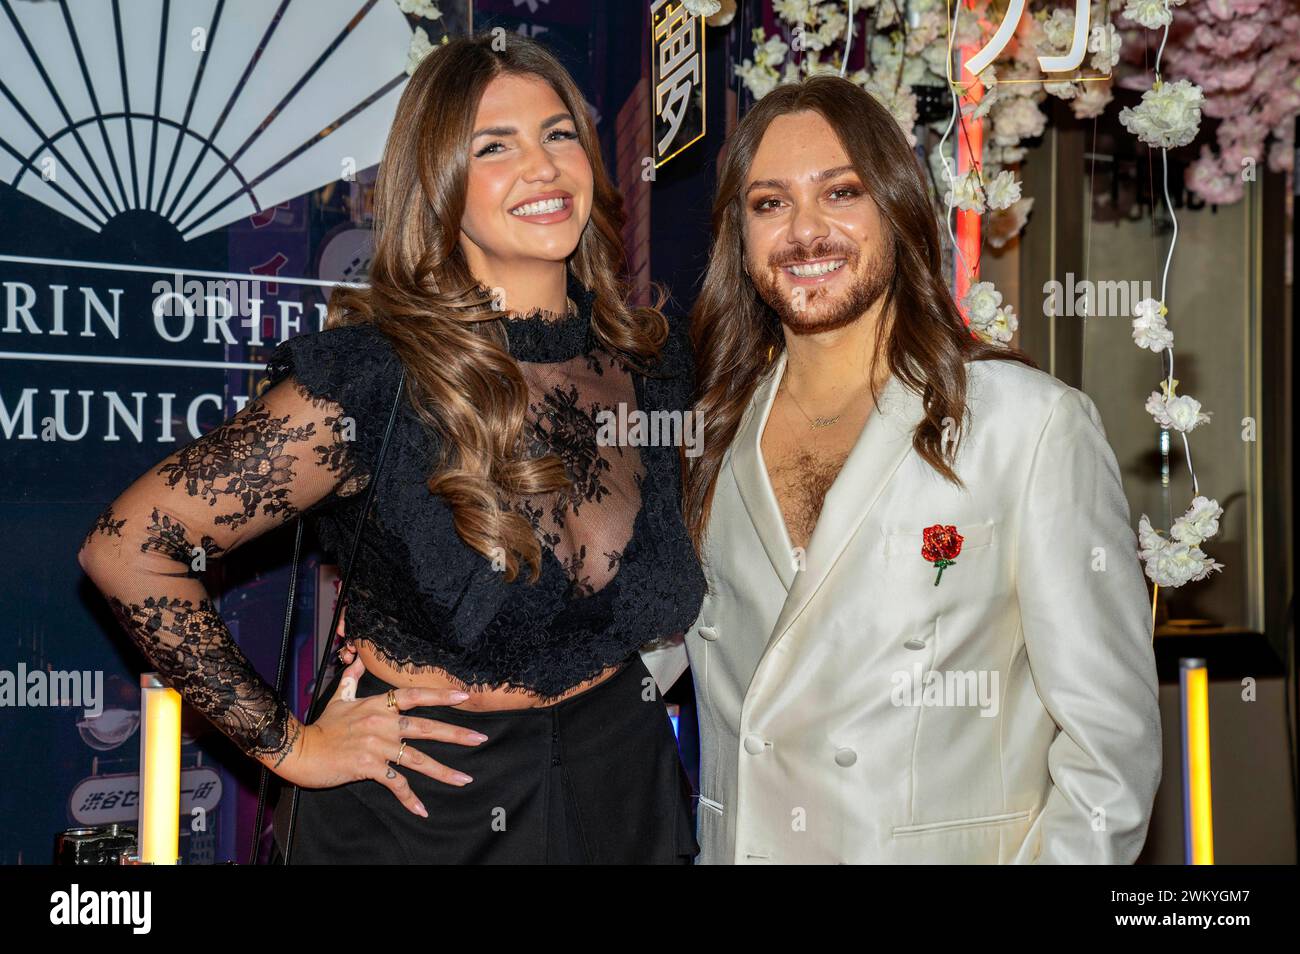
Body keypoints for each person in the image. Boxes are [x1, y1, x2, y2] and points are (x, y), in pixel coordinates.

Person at [78, 33, 704, 864]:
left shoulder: (651, 366)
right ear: (439, 184)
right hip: (425, 817)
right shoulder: (376, 378)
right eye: (494, 145)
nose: (543, 165)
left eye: (559, 134)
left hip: (624, 789)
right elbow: (131, 545)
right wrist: (292, 748)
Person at [677, 75, 1162, 863]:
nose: (805, 231)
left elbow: (1111, 746)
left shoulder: (1026, 427)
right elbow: (616, 651)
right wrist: (416, 691)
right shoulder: (706, 435)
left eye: (840, 192)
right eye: (770, 204)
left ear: (897, 210)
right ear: (739, 235)